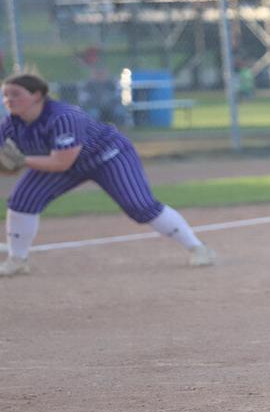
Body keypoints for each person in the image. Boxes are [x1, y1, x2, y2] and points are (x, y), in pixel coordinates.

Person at [0, 74, 216, 277]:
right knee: (22, 201)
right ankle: (17, 260)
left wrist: (21, 160)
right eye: (6, 94)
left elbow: (61, 162)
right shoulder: (10, 124)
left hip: (107, 155)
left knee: (140, 206)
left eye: (16, 94)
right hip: (65, 163)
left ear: (37, 95)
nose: (9, 99)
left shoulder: (63, 117)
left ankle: (198, 248)